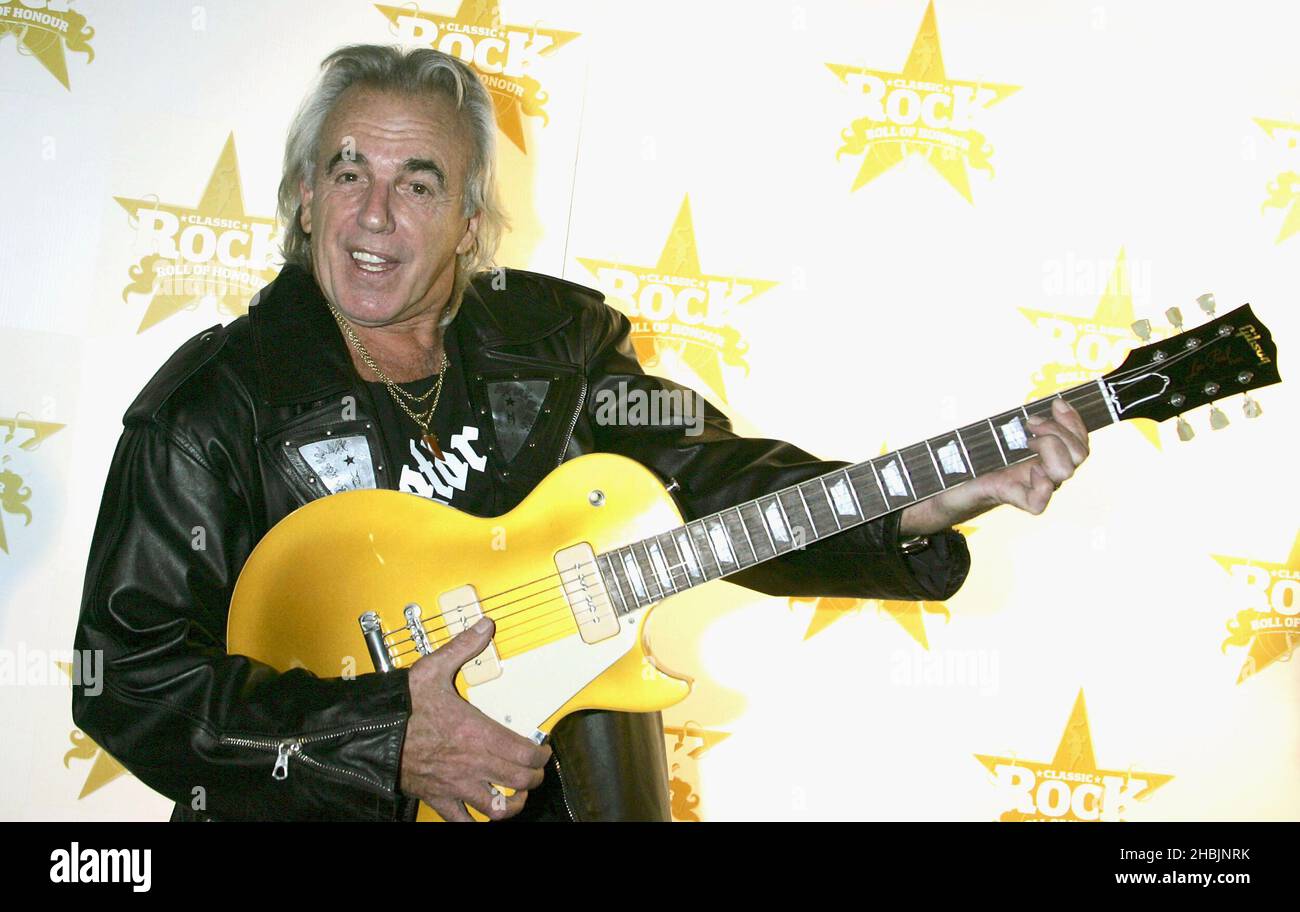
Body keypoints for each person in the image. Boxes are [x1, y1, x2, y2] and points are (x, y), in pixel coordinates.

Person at [71, 45, 1090, 822]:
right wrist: (391, 746)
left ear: (470, 219)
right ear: (304, 199)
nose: (375, 214)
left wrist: (916, 500)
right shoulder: (213, 403)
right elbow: (129, 678)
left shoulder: (556, 343)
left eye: (418, 182)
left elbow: (709, 489)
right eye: (348, 174)